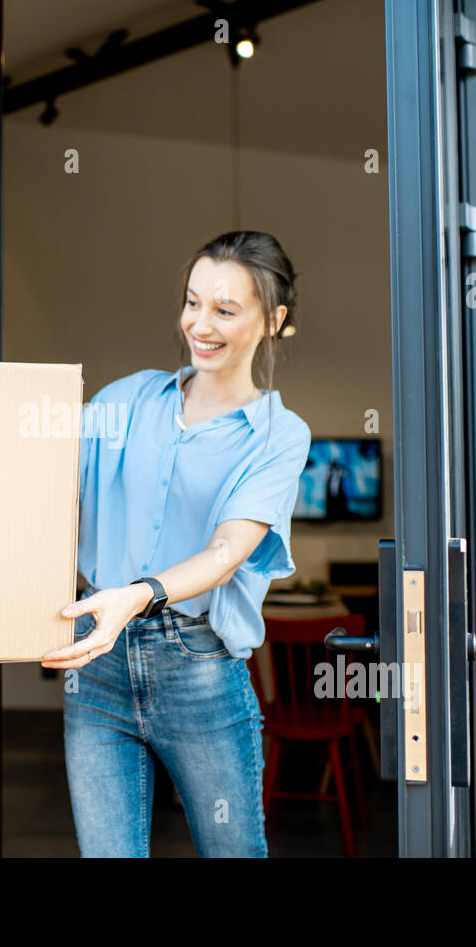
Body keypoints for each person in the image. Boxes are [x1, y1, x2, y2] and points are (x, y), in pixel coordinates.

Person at [43, 230, 312, 857]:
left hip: (199, 670)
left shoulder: (278, 436)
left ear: (272, 320)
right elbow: (31, 473)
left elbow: (227, 552)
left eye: (225, 309)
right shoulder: (126, 399)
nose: (200, 324)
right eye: (193, 303)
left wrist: (137, 596)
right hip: (97, 665)